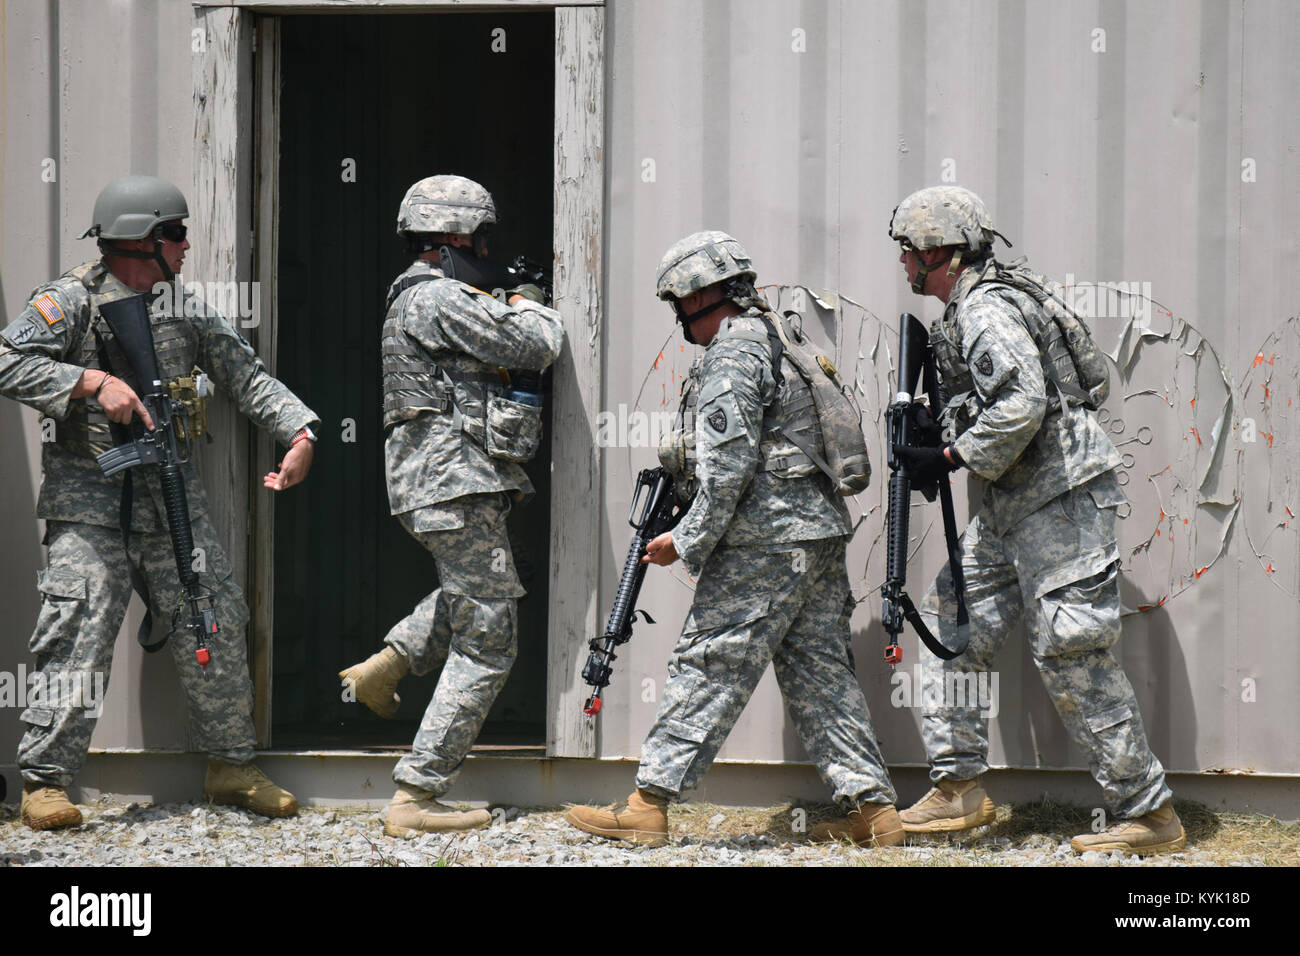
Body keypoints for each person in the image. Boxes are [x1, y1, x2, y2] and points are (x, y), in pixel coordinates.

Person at [0, 174, 320, 829]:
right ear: (142, 240)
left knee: (217, 618)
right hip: (90, 506)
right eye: (175, 234)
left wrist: (299, 430)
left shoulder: (184, 307)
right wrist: (89, 382)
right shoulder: (70, 301)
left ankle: (231, 766)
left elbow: (247, 376)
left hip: (170, 498)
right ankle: (46, 782)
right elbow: (6, 361)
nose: (186, 245)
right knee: (76, 633)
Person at [565, 231, 902, 848]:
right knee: (820, 671)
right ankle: (875, 813)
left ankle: (648, 804)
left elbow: (727, 470)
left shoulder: (732, 355)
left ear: (703, 296)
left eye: (679, 302)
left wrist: (683, 540)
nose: (677, 317)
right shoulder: (782, 339)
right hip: (818, 536)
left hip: (764, 541)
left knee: (710, 662)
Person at [887, 185, 1184, 855]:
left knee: (1070, 648)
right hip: (1015, 503)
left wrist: (952, 452)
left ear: (940, 252)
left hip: (1060, 496)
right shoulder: (976, 305)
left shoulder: (987, 311)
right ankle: (958, 789)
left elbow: (1021, 405)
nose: (902, 262)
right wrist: (947, 433)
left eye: (908, 250)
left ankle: (1151, 814)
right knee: (953, 626)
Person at [338, 175, 564, 838]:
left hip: (441, 485)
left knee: (478, 591)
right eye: (480, 238)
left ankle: (389, 664)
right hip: (453, 482)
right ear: (458, 238)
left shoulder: (419, 295)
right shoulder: (437, 297)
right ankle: (416, 792)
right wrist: (529, 300)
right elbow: (538, 342)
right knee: (489, 641)